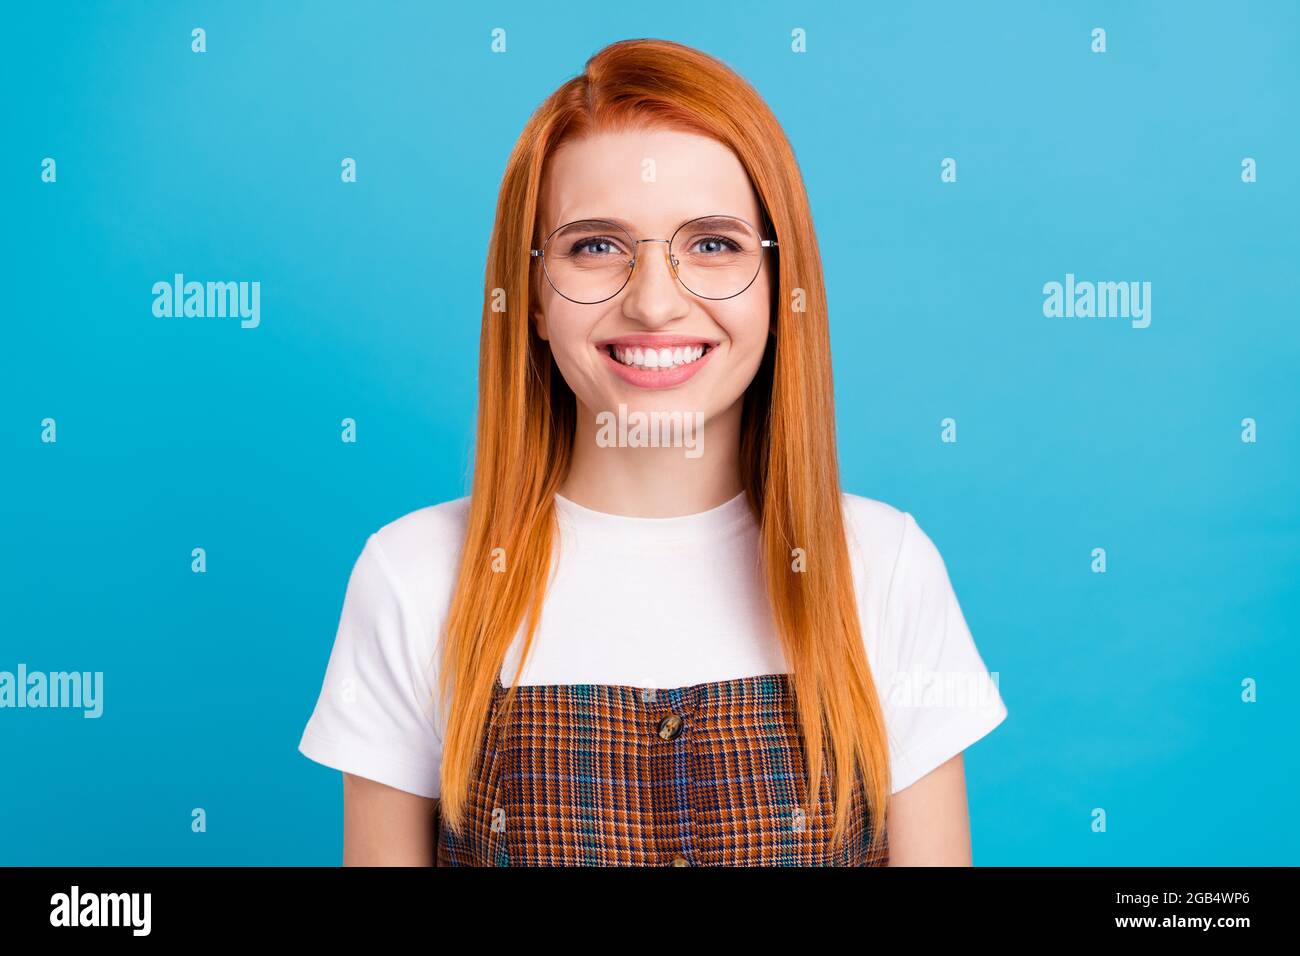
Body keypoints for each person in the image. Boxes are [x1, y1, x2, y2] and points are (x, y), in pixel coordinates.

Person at [299, 37, 1008, 866]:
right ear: (530, 296)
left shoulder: (883, 568)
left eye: (713, 244)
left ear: (783, 290)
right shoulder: (415, 576)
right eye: (596, 246)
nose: (656, 303)